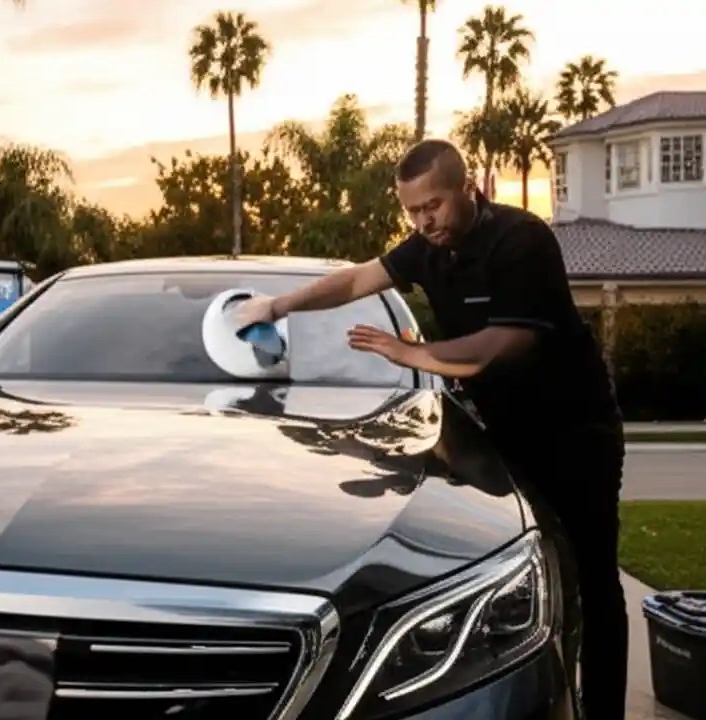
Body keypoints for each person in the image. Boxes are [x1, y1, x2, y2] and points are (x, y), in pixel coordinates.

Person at [234, 138, 627, 720]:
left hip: (575, 435)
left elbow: (500, 347)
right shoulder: (427, 248)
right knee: (527, 572)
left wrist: (410, 353)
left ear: (467, 188)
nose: (424, 222)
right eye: (413, 212)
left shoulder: (521, 240)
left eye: (433, 206)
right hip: (505, 438)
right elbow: (352, 282)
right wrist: (277, 306)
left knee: (593, 581)